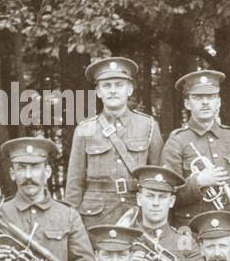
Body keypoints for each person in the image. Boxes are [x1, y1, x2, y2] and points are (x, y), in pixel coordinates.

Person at [65, 57, 163, 226]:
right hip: (95, 216)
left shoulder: (148, 126)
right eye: (106, 85)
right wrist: (71, 225)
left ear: (130, 89)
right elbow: (74, 184)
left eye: (119, 85)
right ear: (98, 92)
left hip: (137, 212)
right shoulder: (84, 129)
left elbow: (158, 179)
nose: (113, 91)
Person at [161, 69, 230, 226]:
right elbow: (166, 195)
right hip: (193, 227)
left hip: (229, 223)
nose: (205, 102)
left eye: (211, 97)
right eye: (198, 98)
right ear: (187, 104)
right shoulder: (177, 140)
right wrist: (199, 182)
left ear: (218, 102)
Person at [119, 165, 204, 261]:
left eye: (162, 197)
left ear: (171, 202)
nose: (156, 203)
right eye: (150, 196)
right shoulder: (125, 237)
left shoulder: (184, 241)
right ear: (139, 199)